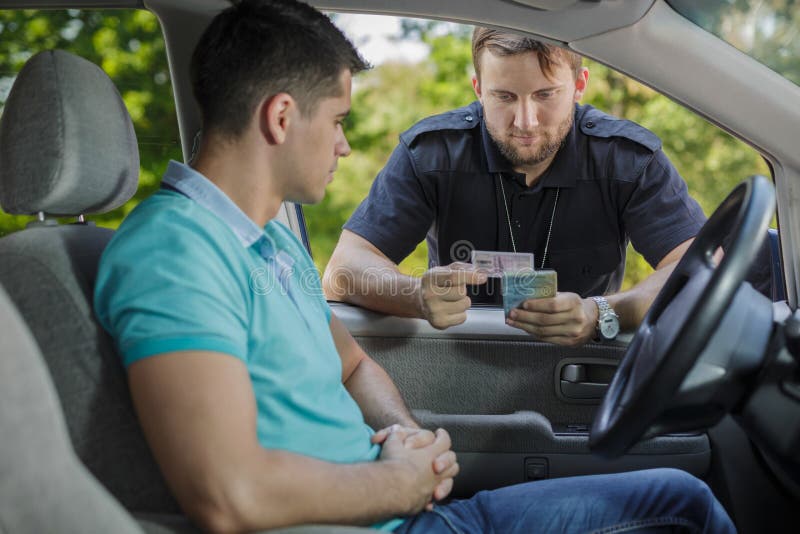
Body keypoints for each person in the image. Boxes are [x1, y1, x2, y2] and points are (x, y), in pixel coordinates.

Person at [94, 1, 735, 532]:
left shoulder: (270, 242)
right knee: (684, 509)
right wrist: (397, 482)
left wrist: (411, 442)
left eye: (546, 95)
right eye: (338, 121)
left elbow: (352, 364)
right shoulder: (175, 251)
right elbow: (228, 496)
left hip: (404, 507)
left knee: (680, 495)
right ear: (281, 117)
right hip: (386, 511)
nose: (346, 145)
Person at [323, 28, 708, 347]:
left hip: (580, 368)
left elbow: (701, 266)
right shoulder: (431, 153)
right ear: (478, 89)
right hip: (456, 364)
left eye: (545, 94)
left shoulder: (627, 159)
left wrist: (603, 311)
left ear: (579, 86)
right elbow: (343, 269)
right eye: (504, 96)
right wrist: (414, 296)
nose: (525, 121)